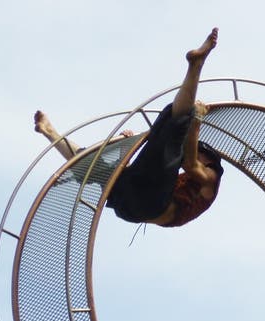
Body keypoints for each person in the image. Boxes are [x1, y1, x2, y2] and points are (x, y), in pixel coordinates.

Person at [34, 28, 224, 228]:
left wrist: (196, 120)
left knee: (178, 123)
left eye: (199, 153)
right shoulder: (175, 179)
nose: (192, 152)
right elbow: (159, 168)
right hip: (131, 199)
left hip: (149, 204)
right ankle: (50, 133)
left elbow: (191, 164)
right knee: (94, 167)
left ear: (209, 160)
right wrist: (125, 150)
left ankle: (196, 65)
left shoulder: (211, 179)